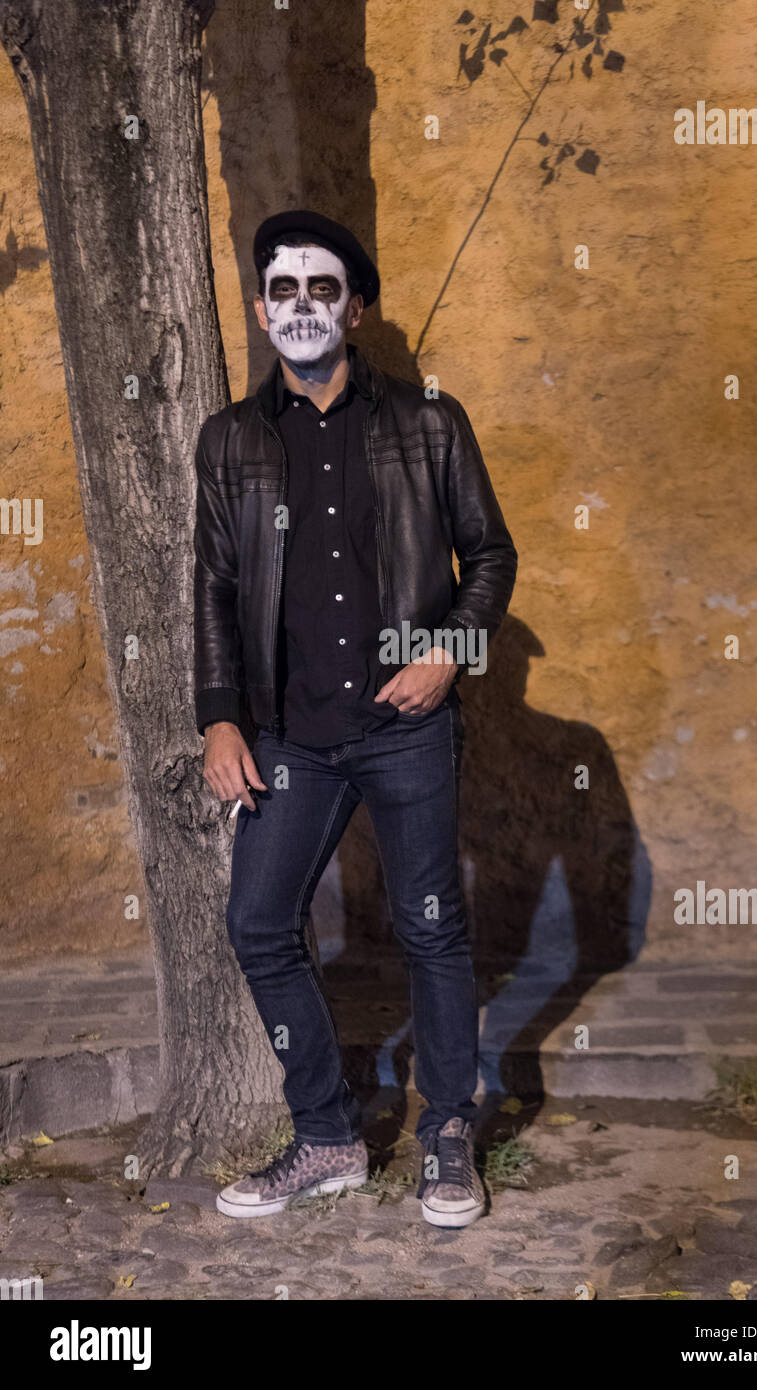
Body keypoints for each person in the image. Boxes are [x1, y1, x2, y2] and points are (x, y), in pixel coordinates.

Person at [193, 210, 517, 1227]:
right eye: (281, 290)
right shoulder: (231, 439)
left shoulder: (428, 421)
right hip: (288, 732)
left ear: (355, 307)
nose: (300, 306)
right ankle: (328, 1134)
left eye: (321, 289)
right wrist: (218, 720)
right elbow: (210, 588)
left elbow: (491, 558)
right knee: (257, 921)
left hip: (404, 723)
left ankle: (448, 1135)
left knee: (430, 924)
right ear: (258, 308)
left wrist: (446, 655)